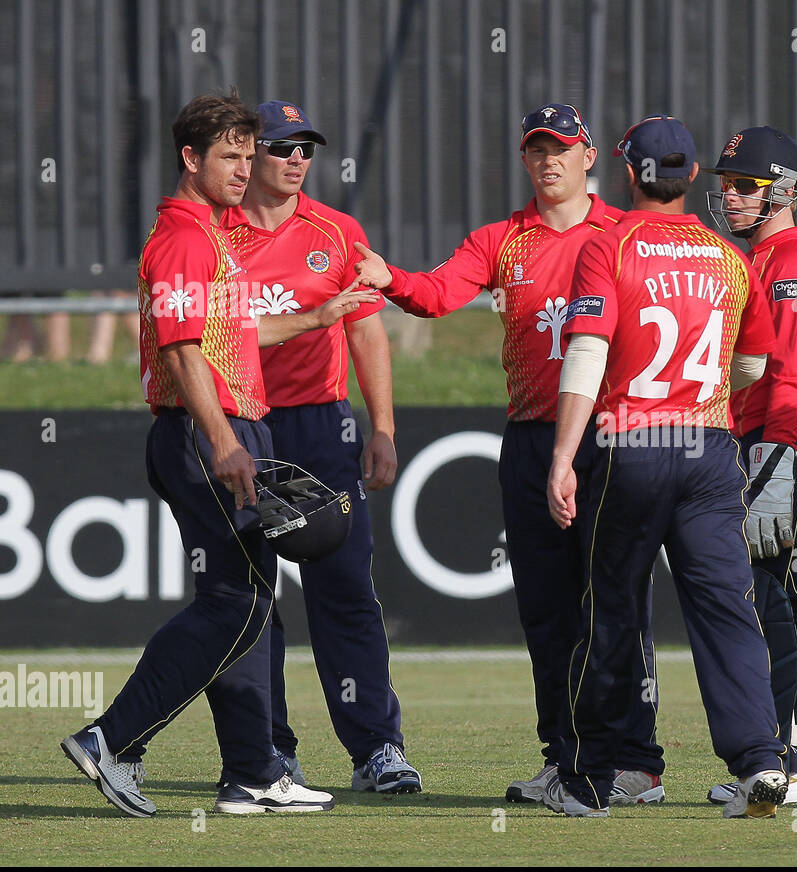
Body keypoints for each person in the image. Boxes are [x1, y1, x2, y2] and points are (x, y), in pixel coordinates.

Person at [59, 90, 368, 816]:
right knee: (237, 601)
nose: (243, 168)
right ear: (190, 158)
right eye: (228, 156)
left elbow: (230, 334)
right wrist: (226, 441)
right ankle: (113, 741)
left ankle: (253, 772)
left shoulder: (212, 233)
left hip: (229, 425)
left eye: (246, 154)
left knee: (247, 602)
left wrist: (315, 316)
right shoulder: (183, 238)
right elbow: (183, 348)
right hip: (206, 432)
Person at [353, 103, 666, 806]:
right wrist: (387, 276)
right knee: (548, 609)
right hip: (531, 437)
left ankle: (636, 762)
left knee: (615, 602)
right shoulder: (502, 240)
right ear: (525, 161)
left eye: (561, 147)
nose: (548, 159)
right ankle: (566, 757)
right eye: (536, 149)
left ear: (590, 156)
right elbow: (436, 295)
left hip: (611, 437)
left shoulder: (626, 233)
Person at [544, 114, 786, 818]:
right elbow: (752, 364)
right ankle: (759, 760)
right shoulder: (729, 255)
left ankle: (592, 776)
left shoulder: (608, 244)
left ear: (627, 174)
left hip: (634, 444)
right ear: (689, 179)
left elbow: (586, 353)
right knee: (725, 609)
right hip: (710, 448)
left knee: (611, 608)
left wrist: (563, 455)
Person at [220, 100, 419, 794]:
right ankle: (270, 753)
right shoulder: (217, 233)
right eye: (282, 147)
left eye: (306, 147)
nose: (297, 159)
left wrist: (384, 428)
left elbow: (367, 332)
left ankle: (377, 751)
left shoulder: (336, 232)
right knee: (249, 597)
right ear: (249, 156)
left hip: (322, 429)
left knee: (345, 592)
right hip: (242, 425)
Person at [699, 126, 797, 806]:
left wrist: (774, 456)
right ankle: (783, 758)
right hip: (757, 441)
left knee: (788, 605)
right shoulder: (754, 260)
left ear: (785, 190)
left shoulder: (793, 266)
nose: (730, 197)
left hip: (780, 442)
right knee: (764, 604)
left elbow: (791, 374)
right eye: (726, 185)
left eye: (744, 186)